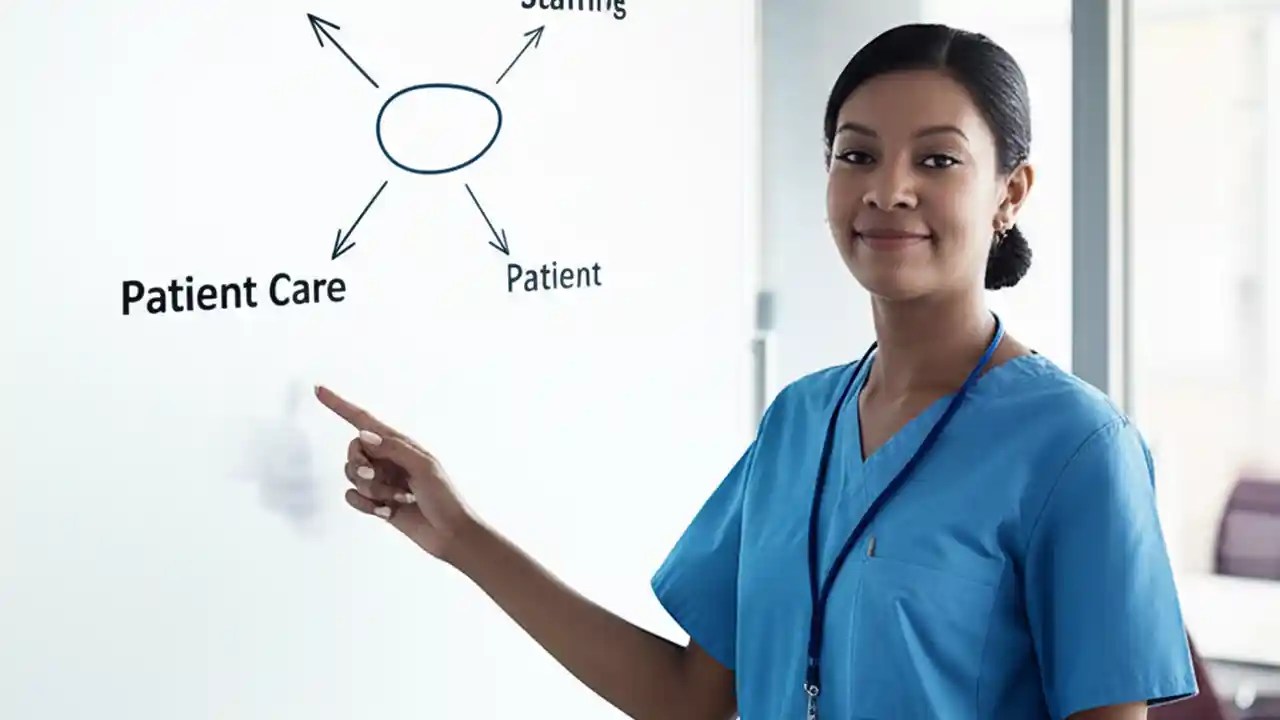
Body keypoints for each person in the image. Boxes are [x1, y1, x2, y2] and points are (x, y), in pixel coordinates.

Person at [315, 22, 1199, 720]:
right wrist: (461, 536)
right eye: (857, 154)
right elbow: (688, 698)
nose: (888, 189)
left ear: (1010, 191)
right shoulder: (800, 421)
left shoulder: (1076, 446)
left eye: (937, 160)